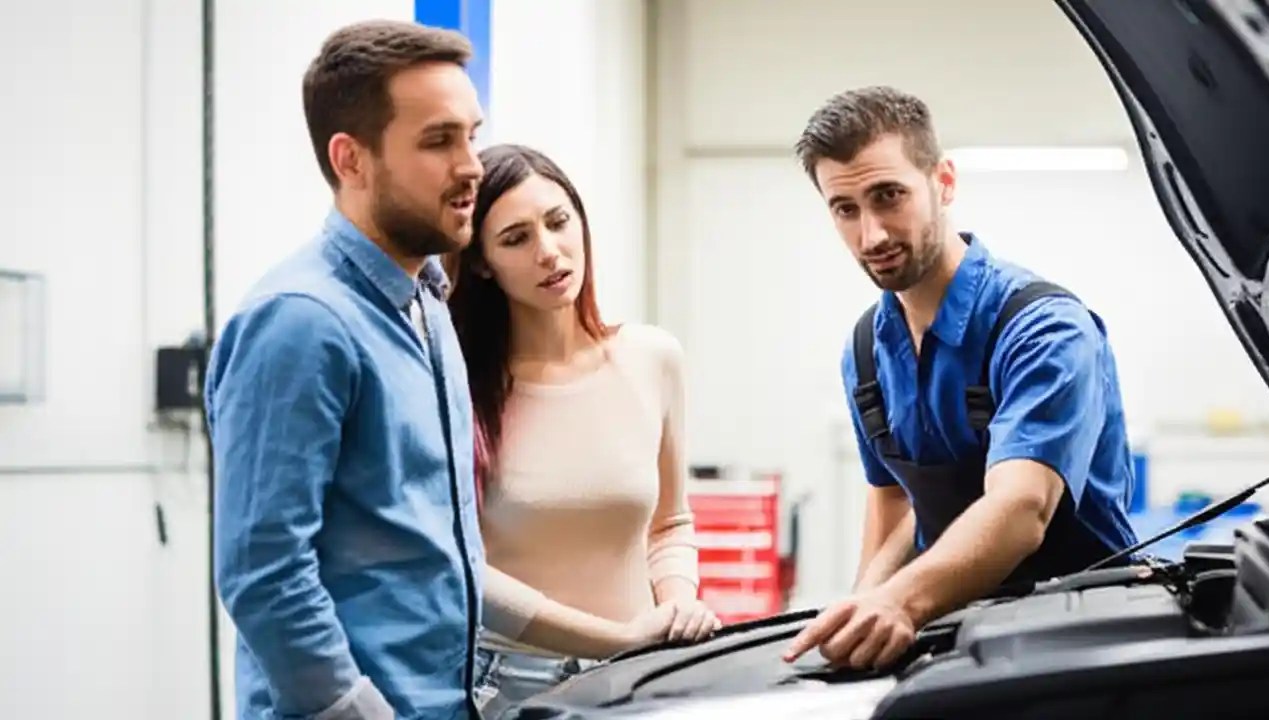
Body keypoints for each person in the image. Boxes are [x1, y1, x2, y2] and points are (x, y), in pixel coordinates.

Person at [781, 86, 1139, 671]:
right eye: (845, 209)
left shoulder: (1044, 329)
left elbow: (1022, 509)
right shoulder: (867, 349)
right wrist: (864, 604)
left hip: (1080, 644)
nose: (871, 236)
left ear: (943, 182)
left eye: (888, 196)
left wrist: (900, 601)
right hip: (952, 640)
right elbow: (896, 500)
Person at [204, 21, 486, 720]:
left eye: (472, 135)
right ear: (350, 159)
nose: (472, 165)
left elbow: (436, 552)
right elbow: (264, 574)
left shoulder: (426, 301)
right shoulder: (302, 320)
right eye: (438, 140)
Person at [442, 143, 720, 717]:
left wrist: (677, 606)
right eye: (516, 238)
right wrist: (617, 637)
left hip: (644, 672)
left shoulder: (652, 357)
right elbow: (463, 571)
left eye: (558, 222)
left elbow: (671, 524)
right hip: (513, 684)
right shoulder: (455, 385)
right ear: (481, 263)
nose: (549, 252)